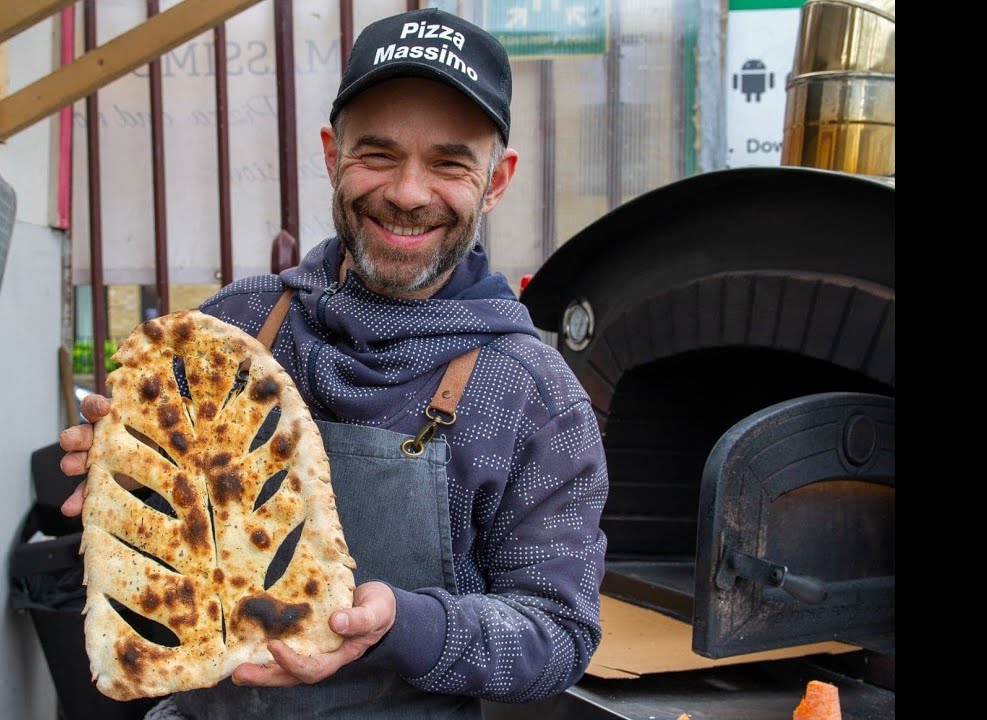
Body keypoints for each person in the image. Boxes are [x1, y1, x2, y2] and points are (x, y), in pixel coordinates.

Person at [58, 7, 609, 719]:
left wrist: (405, 626)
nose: (408, 193)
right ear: (331, 154)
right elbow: (176, 549)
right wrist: (127, 475)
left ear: (496, 181)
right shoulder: (236, 325)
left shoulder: (533, 395)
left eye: (448, 163)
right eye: (377, 154)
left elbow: (559, 636)